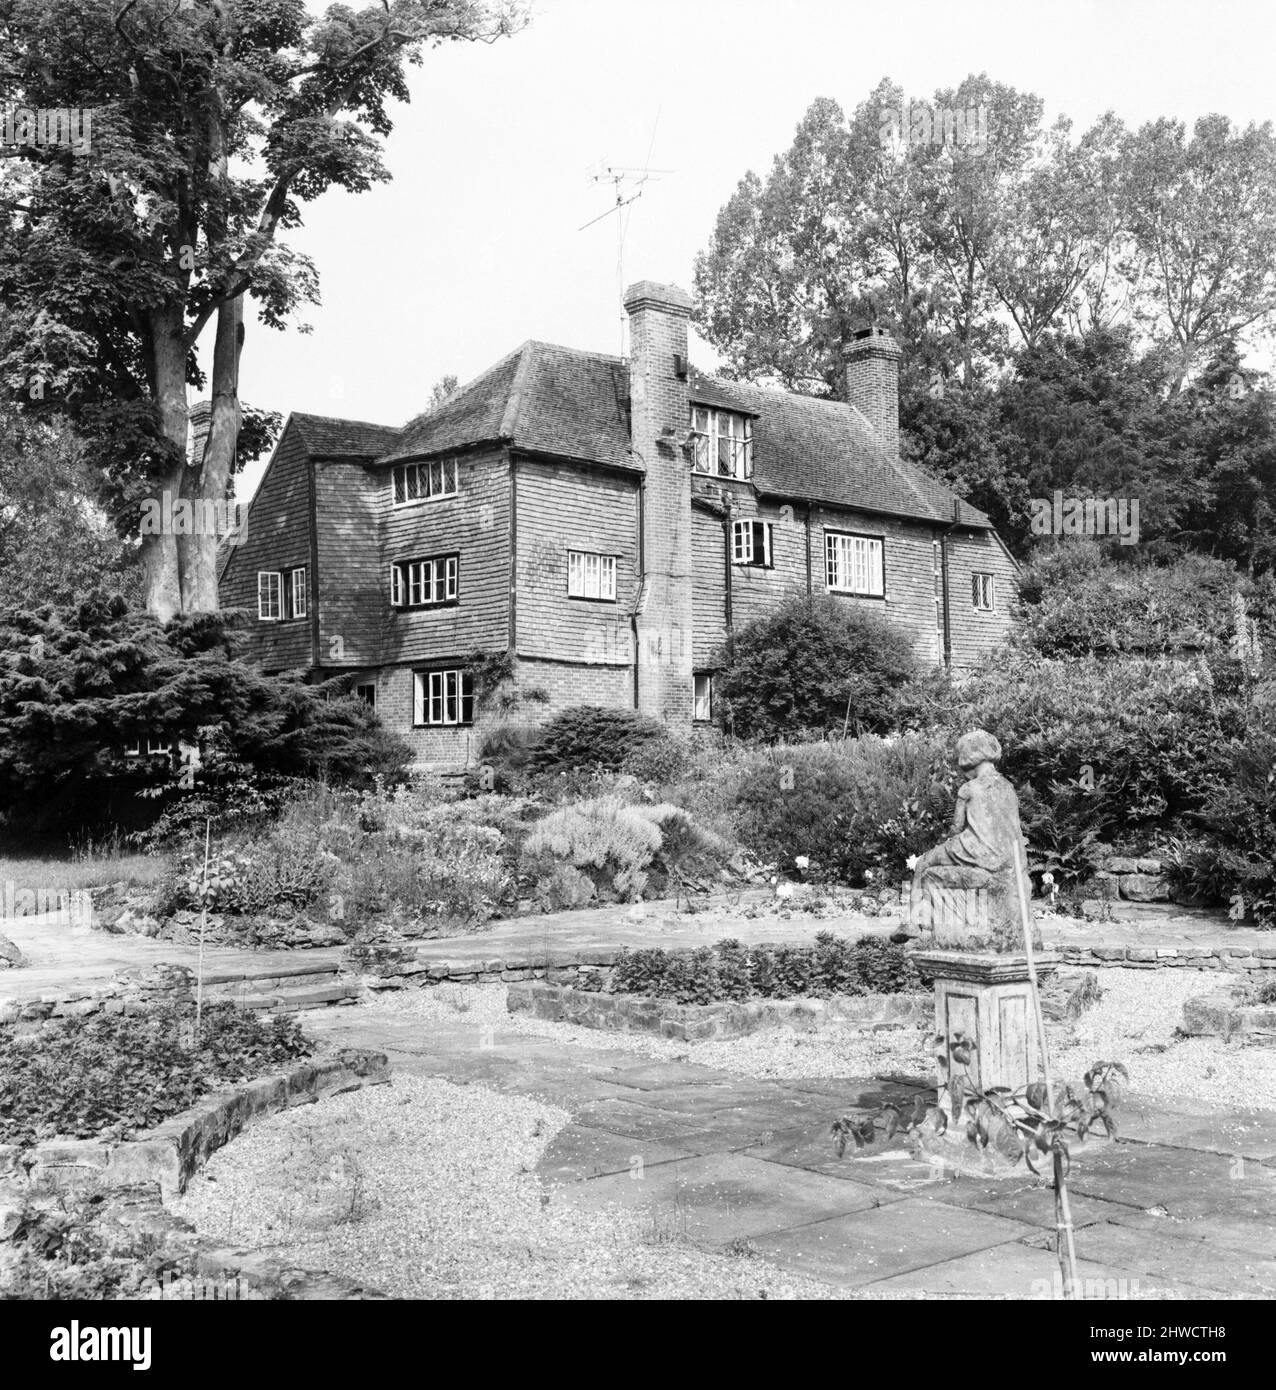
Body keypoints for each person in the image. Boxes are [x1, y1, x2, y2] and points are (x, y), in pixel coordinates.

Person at [892, 729, 1032, 948]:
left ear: (969, 758)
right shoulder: (1008, 788)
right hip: (1008, 857)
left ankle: (913, 922)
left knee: (923, 864)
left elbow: (957, 827)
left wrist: (948, 843)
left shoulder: (969, 788)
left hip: (974, 847)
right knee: (931, 871)